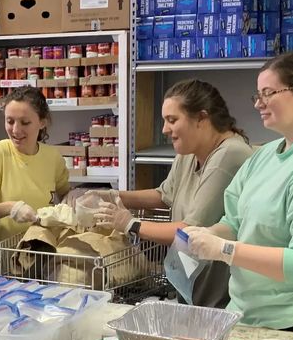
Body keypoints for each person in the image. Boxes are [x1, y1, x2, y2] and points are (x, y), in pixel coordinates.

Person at [181, 50, 293, 335]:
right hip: (246, 314)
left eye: (268, 93)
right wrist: (207, 235)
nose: (258, 103)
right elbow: (234, 222)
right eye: (257, 95)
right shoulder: (266, 154)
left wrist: (225, 250)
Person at [94, 79, 253, 309]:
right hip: (193, 281)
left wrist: (132, 224)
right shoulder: (190, 150)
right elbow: (163, 195)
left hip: (219, 291)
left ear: (201, 118)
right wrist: (112, 195)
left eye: (172, 120)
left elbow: (191, 229)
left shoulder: (229, 155)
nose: (164, 130)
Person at [0, 86, 70, 275]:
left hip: (40, 266)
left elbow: (66, 195)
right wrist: (11, 208)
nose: (16, 130)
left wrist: (76, 201)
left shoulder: (52, 158)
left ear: (42, 122)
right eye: (10, 121)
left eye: (25, 122)